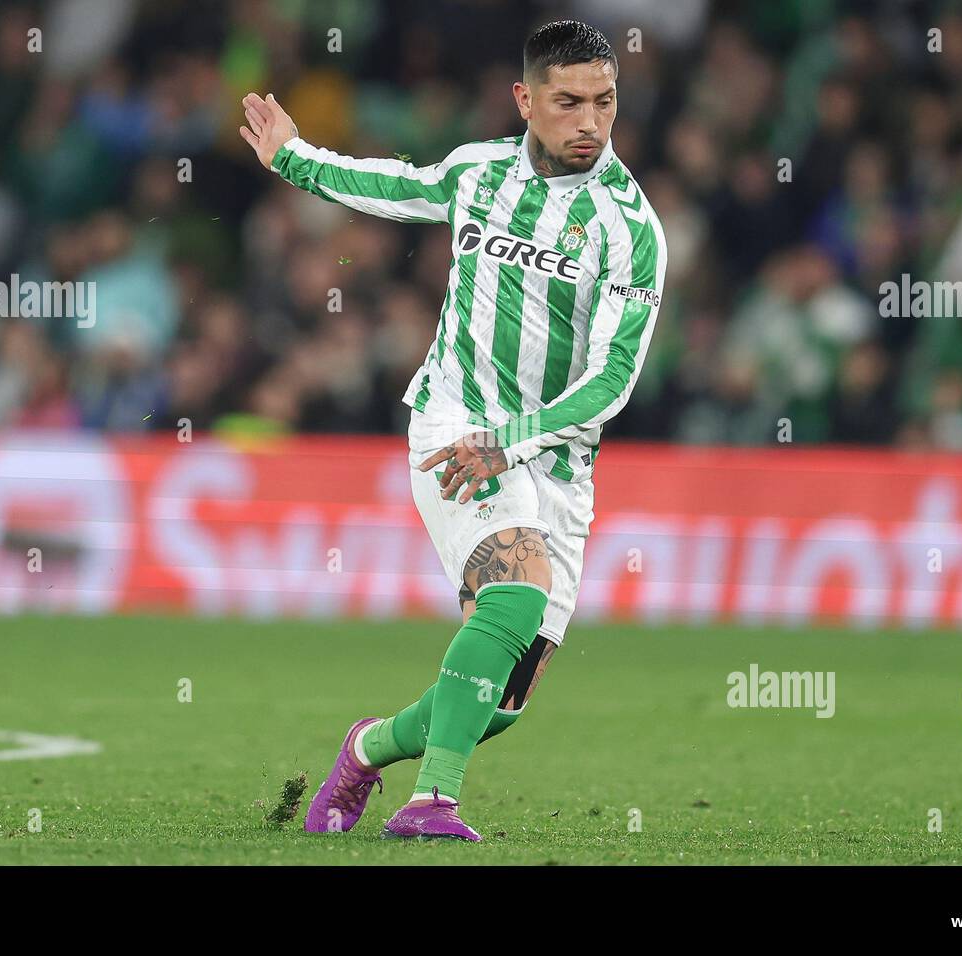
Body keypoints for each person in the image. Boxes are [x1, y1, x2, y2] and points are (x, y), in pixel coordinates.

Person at [240, 19, 667, 841]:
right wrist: (293, 157)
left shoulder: (631, 228)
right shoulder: (479, 172)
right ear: (525, 100)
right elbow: (396, 187)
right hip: (455, 423)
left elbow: (613, 378)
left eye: (605, 102)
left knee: (499, 702)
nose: (590, 121)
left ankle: (364, 751)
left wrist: (518, 438)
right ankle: (432, 802)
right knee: (516, 589)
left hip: (552, 457)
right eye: (569, 102)